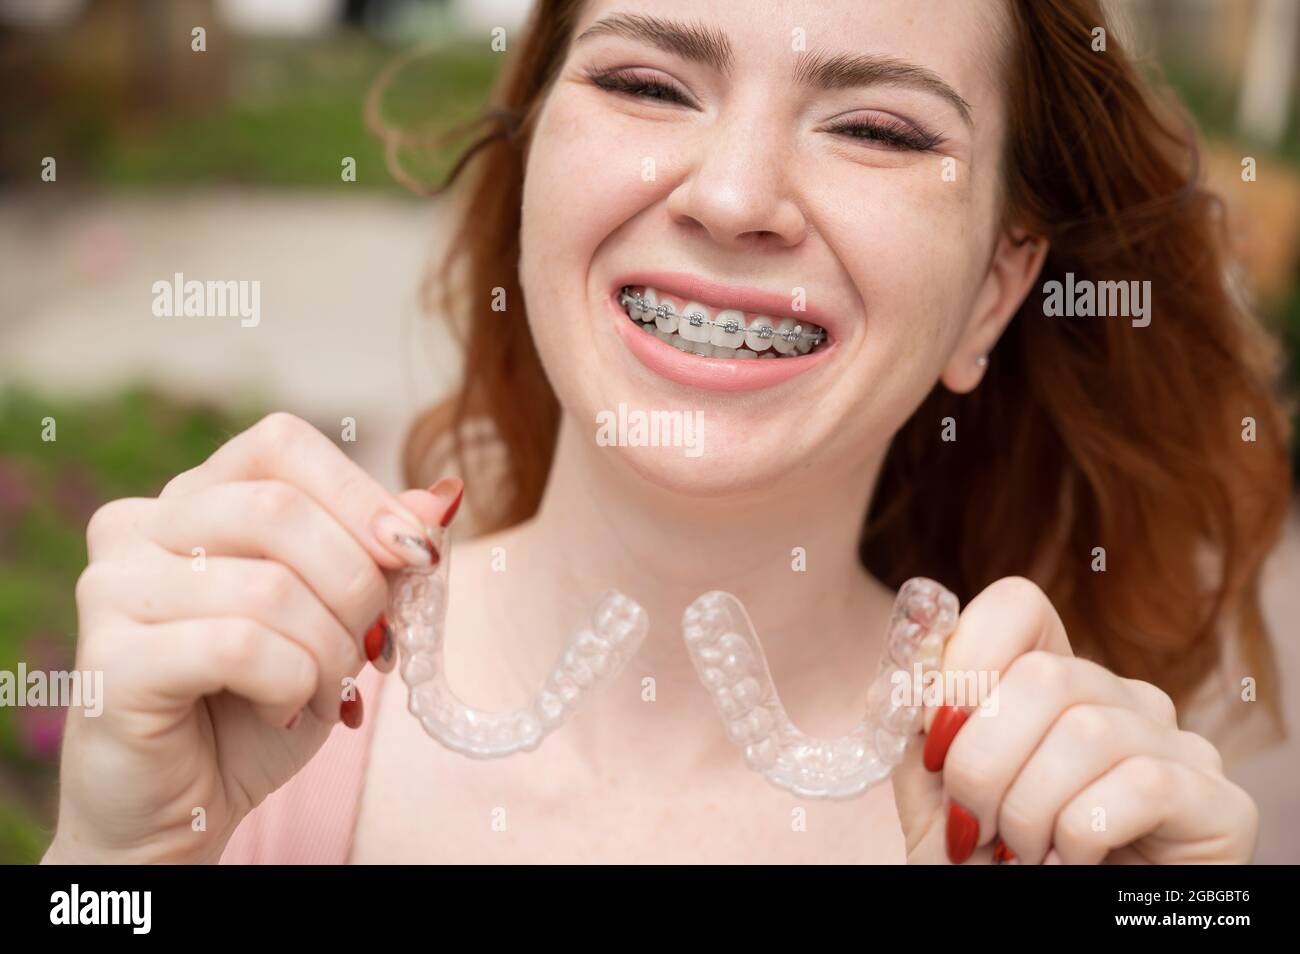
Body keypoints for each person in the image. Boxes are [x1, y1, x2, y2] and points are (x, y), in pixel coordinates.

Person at [45, 0, 1291, 864]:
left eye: (876, 128)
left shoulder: (1054, 832)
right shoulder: (251, 724)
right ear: (533, 167)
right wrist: (121, 866)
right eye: (647, 84)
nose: (735, 196)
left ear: (994, 291)